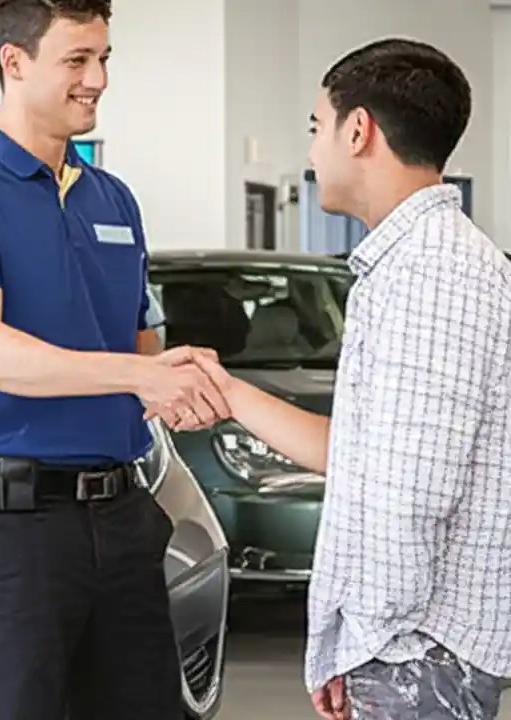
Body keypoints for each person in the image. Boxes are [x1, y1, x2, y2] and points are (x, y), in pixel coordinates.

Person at [0, 1, 229, 717]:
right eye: (76, 60)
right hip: (17, 529)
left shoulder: (113, 199)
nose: (98, 79)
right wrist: (139, 375)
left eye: (104, 58)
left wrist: (178, 383)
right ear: (14, 62)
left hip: (123, 514)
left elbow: (140, 343)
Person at [187, 38, 511, 720]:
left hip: (418, 654)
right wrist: (230, 392)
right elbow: (361, 455)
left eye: (316, 127)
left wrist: (366, 641)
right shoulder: (411, 265)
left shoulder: (432, 274)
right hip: (409, 652)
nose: (312, 152)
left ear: (358, 129)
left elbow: (411, 493)